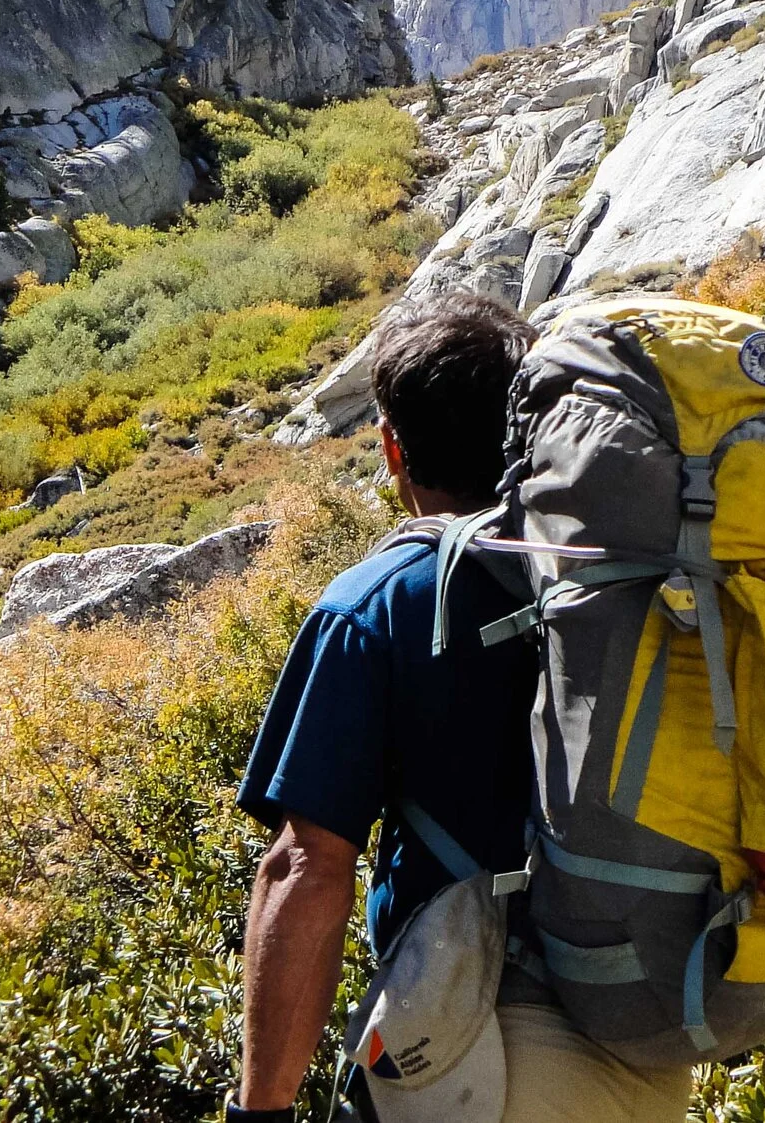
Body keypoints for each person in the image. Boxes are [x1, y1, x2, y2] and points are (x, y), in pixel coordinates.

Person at [230, 292, 691, 1123]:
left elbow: (305, 870)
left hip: (483, 1056)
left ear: (392, 447)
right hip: (643, 1047)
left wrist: (261, 1108)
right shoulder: (609, 575)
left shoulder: (378, 603)